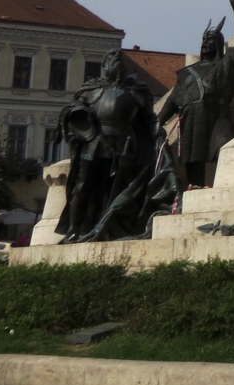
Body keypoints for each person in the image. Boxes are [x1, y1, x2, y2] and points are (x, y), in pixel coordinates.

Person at [55, 49, 157, 242]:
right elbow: (73, 109)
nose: (116, 62)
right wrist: (76, 112)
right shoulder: (91, 89)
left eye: (120, 60)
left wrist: (157, 137)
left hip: (125, 143)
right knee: (83, 186)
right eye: (112, 60)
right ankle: (74, 230)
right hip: (94, 142)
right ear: (105, 66)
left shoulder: (137, 90)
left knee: (119, 188)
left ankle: (114, 227)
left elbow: (149, 120)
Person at [156, 17, 234, 187]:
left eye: (210, 40)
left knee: (225, 148)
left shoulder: (225, 64)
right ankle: (195, 188)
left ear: (217, 43)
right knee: (193, 160)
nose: (205, 43)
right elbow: (174, 99)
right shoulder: (187, 72)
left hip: (216, 116)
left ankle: (228, 186)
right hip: (191, 119)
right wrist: (159, 120)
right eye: (204, 40)